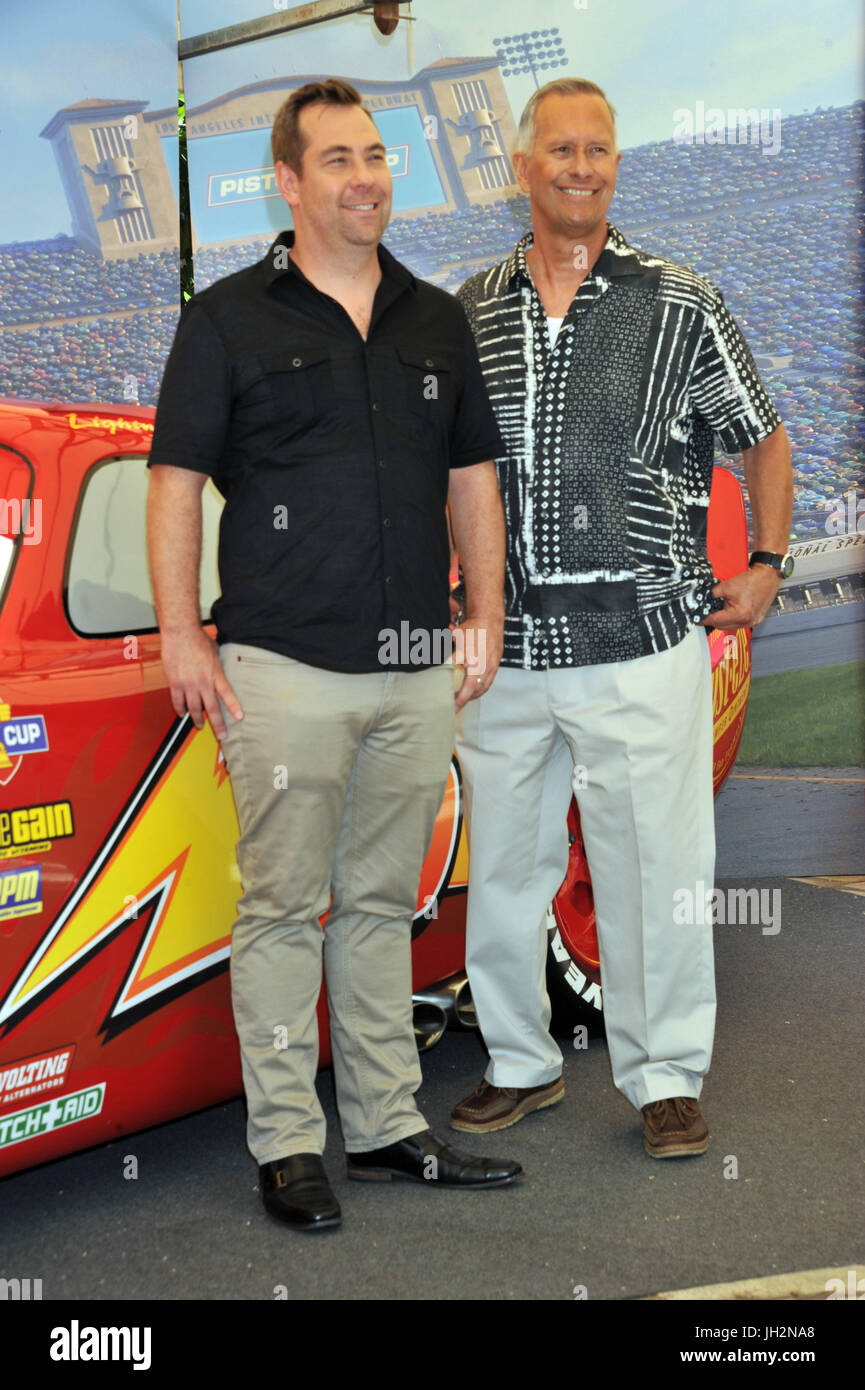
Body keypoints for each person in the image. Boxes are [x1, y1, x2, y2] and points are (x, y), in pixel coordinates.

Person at [146, 78, 518, 1231]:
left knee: (376, 905)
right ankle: (286, 1143)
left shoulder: (433, 317)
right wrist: (178, 633)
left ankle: (388, 1126)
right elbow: (173, 484)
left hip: (414, 665)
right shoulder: (225, 318)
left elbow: (470, 479)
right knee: (278, 910)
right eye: (340, 159)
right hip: (281, 669)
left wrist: (485, 613)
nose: (367, 176)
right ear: (291, 182)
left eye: (377, 155)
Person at [449, 78, 793, 1157]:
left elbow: (764, 436)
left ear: (615, 166)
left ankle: (664, 1074)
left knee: (659, 869)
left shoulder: (678, 300)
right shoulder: (468, 308)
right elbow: (444, 471)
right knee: (504, 869)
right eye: (560, 148)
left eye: (599, 148)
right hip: (506, 651)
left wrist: (772, 560)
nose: (581, 166)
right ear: (522, 166)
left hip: (644, 643)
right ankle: (519, 1061)